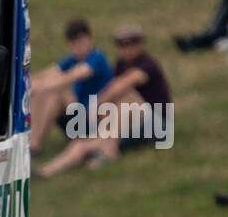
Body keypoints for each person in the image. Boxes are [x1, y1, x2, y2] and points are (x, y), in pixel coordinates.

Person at [37, 26, 173, 176]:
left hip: (156, 124)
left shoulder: (146, 64)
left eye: (132, 43)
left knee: (125, 97)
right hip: (131, 120)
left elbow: (124, 83)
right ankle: (46, 171)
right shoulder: (121, 64)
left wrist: (96, 106)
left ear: (140, 44)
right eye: (122, 44)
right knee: (84, 143)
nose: (127, 48)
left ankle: (107, 150)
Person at [28, 18, 114, 155]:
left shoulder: (97, 58)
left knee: (55, 91)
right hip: (77, 118)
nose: (78, 46)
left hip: (96, 120)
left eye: (81, 41)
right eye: (74, 43)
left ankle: (34, 144)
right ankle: (31, 140)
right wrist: (33, 83)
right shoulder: (72, 59)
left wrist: (41, 86)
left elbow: (75, 75)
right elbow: (50, 72)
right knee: (42, 90)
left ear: (90, 40)